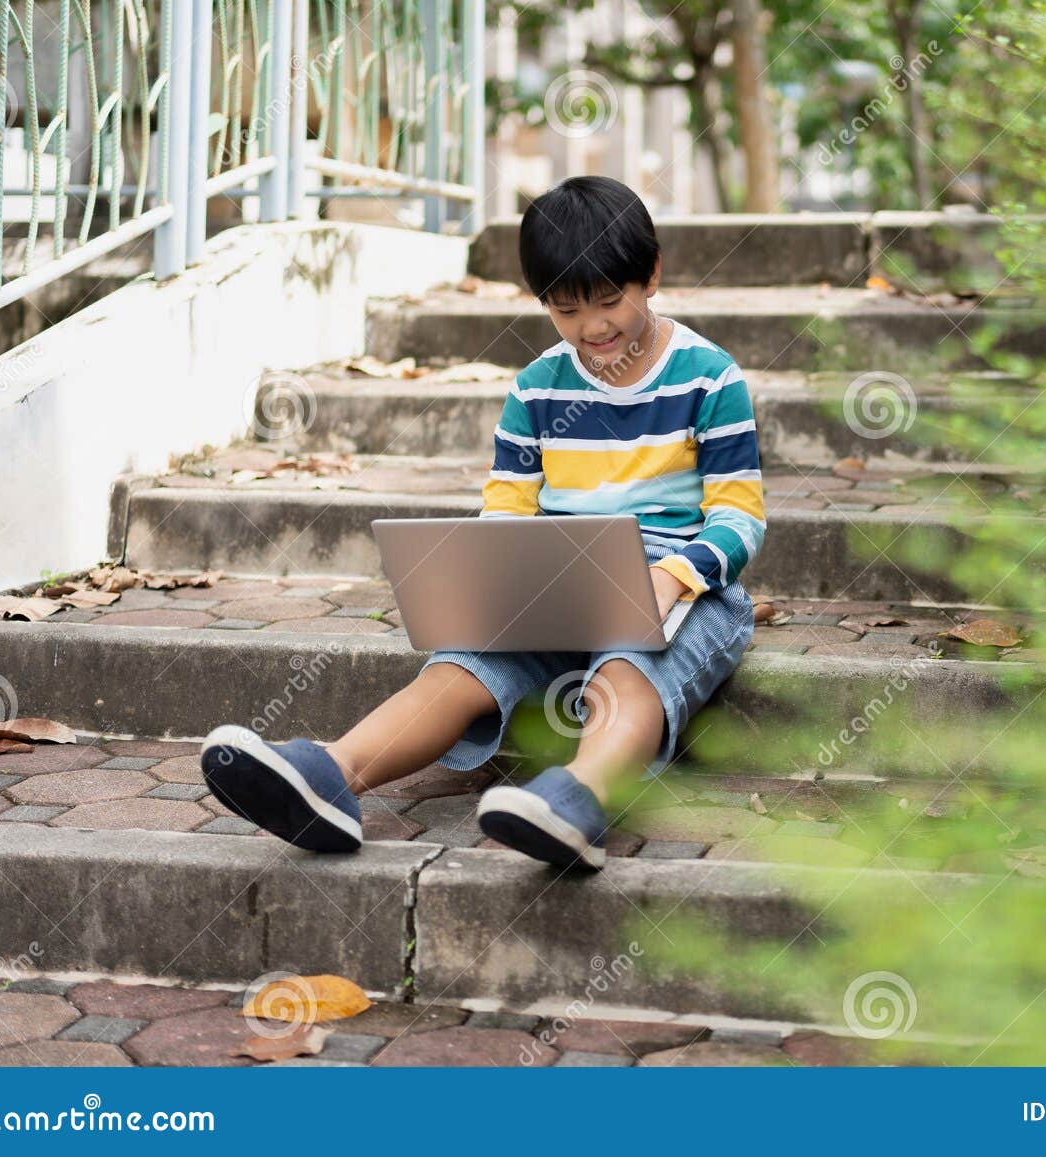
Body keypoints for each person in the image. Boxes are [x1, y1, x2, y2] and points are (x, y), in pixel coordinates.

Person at [200, 176, 766, 871]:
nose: (592, 328)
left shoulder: (709, 377)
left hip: (684, 586)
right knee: (460, 666)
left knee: (627, 666)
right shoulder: (535, 389)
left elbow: (740, 517)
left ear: (651, 276)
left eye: (609, 301)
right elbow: (507, 511)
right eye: (566, 310)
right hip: (563, 575)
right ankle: (330, 776)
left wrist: (673, 577)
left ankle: (579, 800)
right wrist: (494, 583)